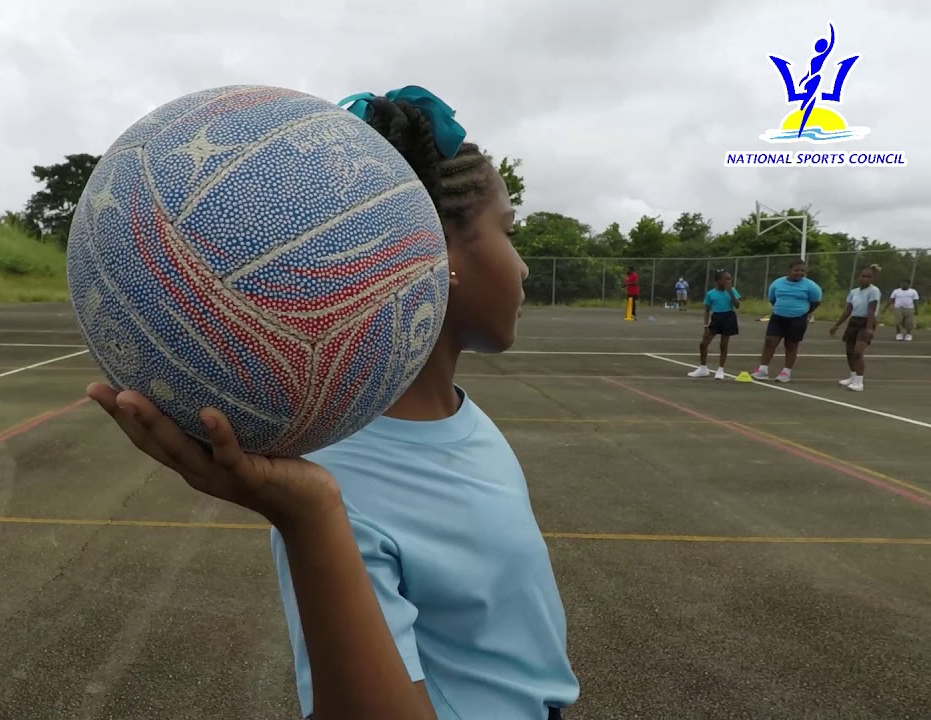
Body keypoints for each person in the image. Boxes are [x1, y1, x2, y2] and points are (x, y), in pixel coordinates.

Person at [85, 86, 578, 720]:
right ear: (443, 253)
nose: (523, 266)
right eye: (507, 232)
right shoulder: (340, 487)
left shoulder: (460, 416)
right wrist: (310, 518)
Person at [751, 258, 822, 383]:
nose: (799, 273)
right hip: (778, 317)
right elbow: (772, 299)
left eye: (802, 271)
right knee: (769, 342)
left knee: (791, 345)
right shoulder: (777, 283)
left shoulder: (811, 286)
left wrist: (806, 313)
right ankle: (763, 370)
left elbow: (816, 302)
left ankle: (786, 372)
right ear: (789, 270)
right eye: (796, 270)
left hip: (798, 319)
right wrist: (782, 308)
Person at [830, 264, 881, 391]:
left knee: (858, 352)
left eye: (868, 277)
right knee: (849, 352)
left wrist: (869, 328)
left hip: (866, 321)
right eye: (863, 276)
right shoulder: (854, 292)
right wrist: (837, 325)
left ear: (872, 279)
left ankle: (859, 381)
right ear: (859, 277)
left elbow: (871, 309)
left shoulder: (873, 291)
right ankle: (852, 376)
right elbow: (848, 310)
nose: (865, 279)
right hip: (854, 321)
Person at [688, 270, 741, 379]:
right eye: (725, 279)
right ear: (718, 280)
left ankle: (720, 370)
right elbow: (707, 310)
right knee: (704, 343)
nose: (728, 281)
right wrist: (706, 326)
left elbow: (737, 305)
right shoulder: (711, 293)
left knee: (723, 345)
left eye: (729, 279)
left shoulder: (732, 291)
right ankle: (703, 368)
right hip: (716, 318)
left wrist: (730, 292)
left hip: (728, 317)